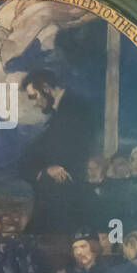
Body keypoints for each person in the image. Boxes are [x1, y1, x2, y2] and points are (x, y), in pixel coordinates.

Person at [21, 69, 99, 235]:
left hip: (71, 195)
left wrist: (50, 168)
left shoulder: (75, 108)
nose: (35, 103)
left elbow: (76, 151)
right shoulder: (61, 112)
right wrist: (47, 168)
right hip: (61, 194)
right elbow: (34, 154)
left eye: (34, 96)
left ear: (45, 88)